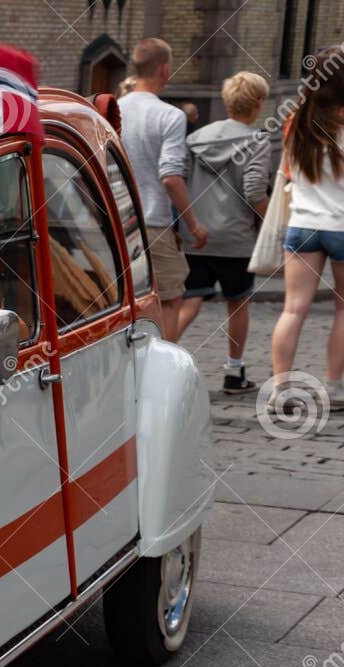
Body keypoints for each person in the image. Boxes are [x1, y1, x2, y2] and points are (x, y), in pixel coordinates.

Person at [175, 71, 271, 392]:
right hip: (236, 237)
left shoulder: (194, 139)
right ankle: (234, 371)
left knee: (190, 301)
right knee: (239, 302)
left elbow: (182, 181)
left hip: (196, 234)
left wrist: (185, 225)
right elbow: (255, 189)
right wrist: (272, 222)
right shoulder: (256, 140)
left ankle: (153, 361)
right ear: (258, 104)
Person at [118, 37, 207, 341]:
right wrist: (193, 224)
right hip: (152, 221)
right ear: (165, 70)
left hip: (114, 222)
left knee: (122, 302)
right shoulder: (170, 115)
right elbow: (170, 177)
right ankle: (160, 373)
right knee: (169, 299)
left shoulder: (112, 109)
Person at [272, 46, 344, 407]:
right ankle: (334, 387)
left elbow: (287, 172)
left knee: (293, 308)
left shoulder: (295, 121)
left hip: (302, 223)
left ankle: (279, 388)